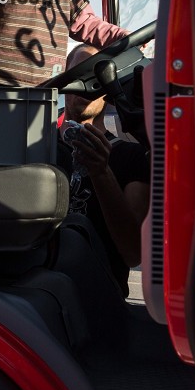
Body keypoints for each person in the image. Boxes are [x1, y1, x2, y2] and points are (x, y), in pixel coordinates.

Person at [56, 45, 151, 286]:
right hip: (41, 288)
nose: (84, 88)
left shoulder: (132, 156)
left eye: (95, 78)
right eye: (77, 75)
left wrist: (101, 173)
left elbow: (132, 253)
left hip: (100, 294)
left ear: (109, 85)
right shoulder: (37, 147)